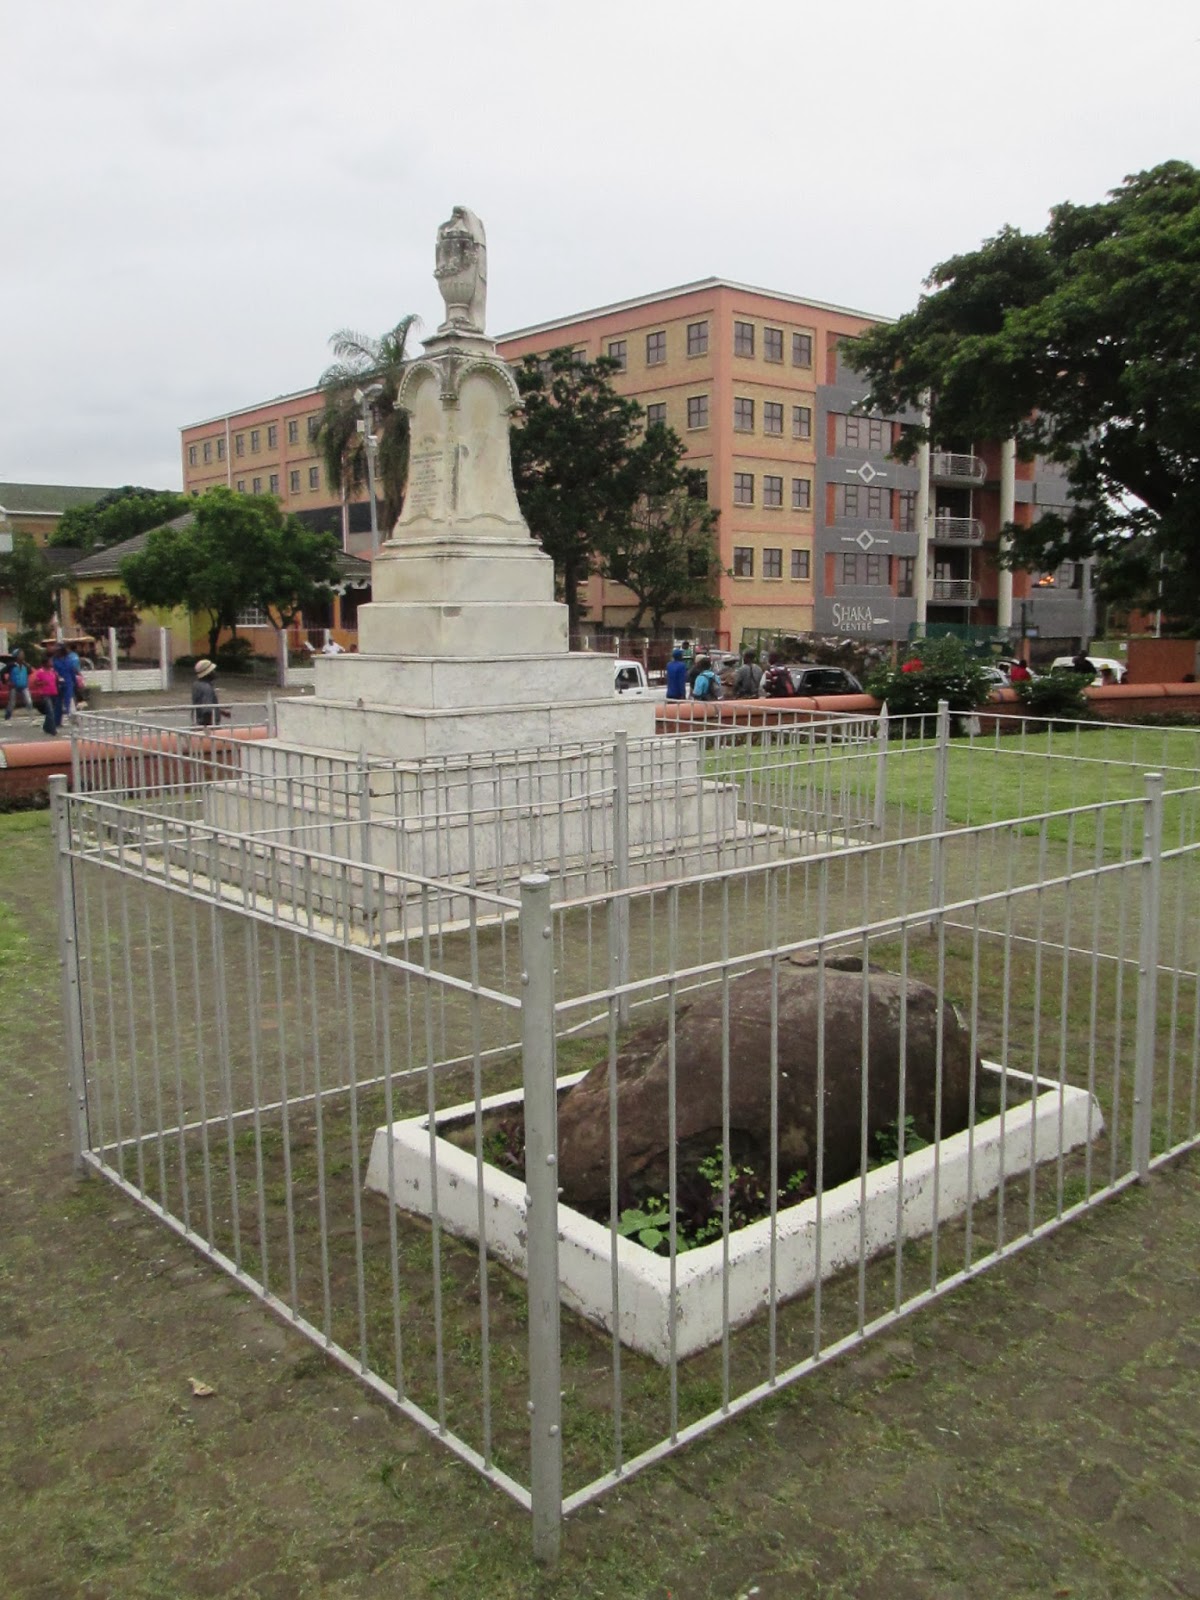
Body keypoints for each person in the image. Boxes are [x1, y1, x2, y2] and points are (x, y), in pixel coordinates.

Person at [29, 659, 60, 736]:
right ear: (45, 663)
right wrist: (42, 683)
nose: (51, 663)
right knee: (50, 711)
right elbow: (36, 682)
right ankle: (53, 730)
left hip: (54, 693)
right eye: (50, 662)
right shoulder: (40, 672)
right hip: (45, 694)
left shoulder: (53, 671)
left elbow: (56, 680)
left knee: (51, 711)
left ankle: (46, 726)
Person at [2, 650, 34, 721]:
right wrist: (5, 681)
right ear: (16, 656)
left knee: (29, 701)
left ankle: (32, 718)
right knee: (12, 703)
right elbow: (2, 672)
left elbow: (30, 671)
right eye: (20, 654)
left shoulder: (25, 665)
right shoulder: (11, 665)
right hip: (13, 687)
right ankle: (8, 717)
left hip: (24, 686)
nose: (22, 656)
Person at [191, 658, 222, 727]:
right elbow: (207, 710)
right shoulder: (207, 688)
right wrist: (207, 728)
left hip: (197, 721)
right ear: (209, 673)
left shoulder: (196, 685)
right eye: (213, 670)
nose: (215, 672)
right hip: (208, 725)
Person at [54, 643, 81, 722]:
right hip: (58, 684)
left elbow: (72, 672)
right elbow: (53, 672)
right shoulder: (54, 661)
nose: (57, 652)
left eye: (58, 650)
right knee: (58, 703)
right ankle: (57, 721)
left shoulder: (68, 659)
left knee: (69, 701)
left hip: (68, 683)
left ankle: (73, 719)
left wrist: (75, 682)